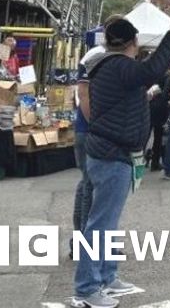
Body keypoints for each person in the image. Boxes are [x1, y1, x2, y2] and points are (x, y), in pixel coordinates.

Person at [74, 15, 170, 308]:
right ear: (133, 43)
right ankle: (87, 288)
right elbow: (154, 69)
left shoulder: (110, 66)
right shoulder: (120, 66)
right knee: (100, 224)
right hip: (112, 154)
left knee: (106, 222)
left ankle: (108, 277)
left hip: (111, 152)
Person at [72, 42, 106, 242]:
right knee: (89, 186)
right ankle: (87, 241)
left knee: (87, 184)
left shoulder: (100, 55)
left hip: (88, 129)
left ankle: (82, 239)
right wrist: (95, 124)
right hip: (89, 130)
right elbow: (83, 94)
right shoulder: (97, 55)